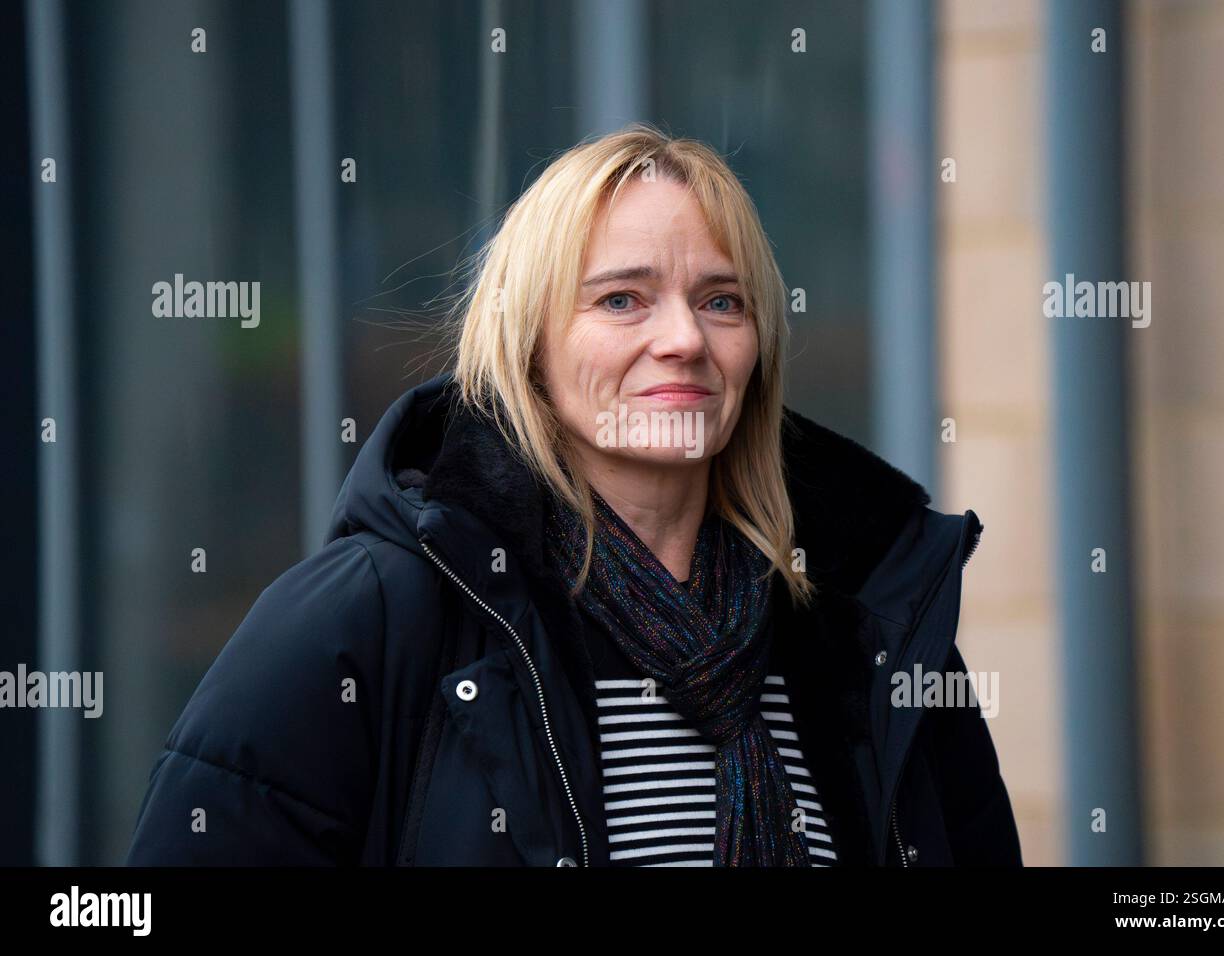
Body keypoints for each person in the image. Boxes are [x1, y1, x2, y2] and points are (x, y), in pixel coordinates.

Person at [125, 123, 1021, 867]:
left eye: (722, 301)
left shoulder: (867, 622)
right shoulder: (372, 616)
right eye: (622, 300)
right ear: (529, 346)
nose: (684, 339)